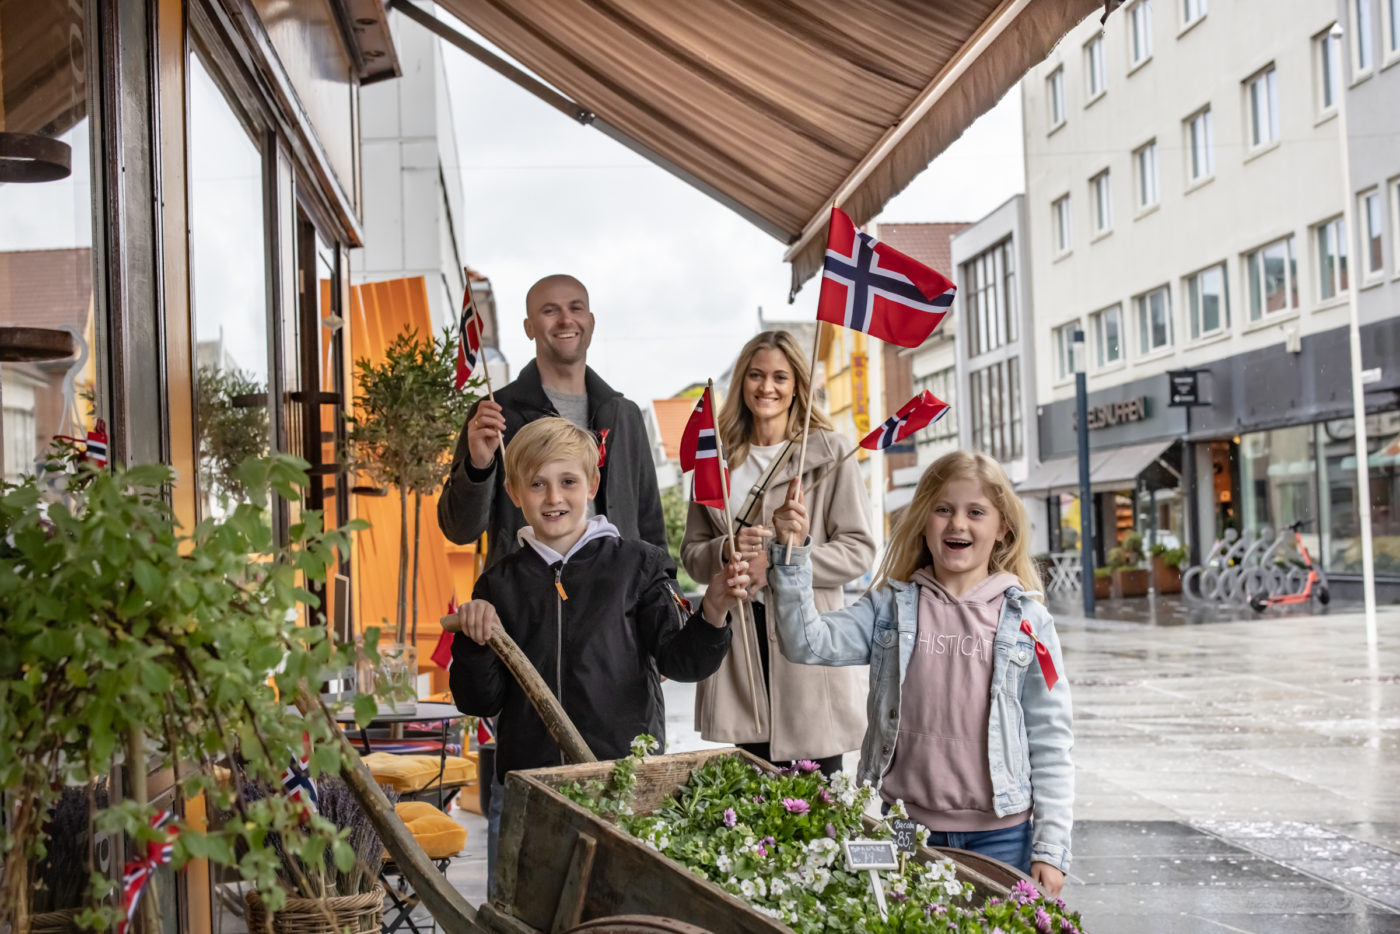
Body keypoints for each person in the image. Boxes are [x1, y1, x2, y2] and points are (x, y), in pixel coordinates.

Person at [447, 418, 751, 890]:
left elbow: (680, 662)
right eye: (537, 484)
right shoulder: (498, 583)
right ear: (513, 493)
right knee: (529, 907)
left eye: (568, 482)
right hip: (531, 786)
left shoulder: (639, 564)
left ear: (592, 484)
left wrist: (712, 612)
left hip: (623, 783)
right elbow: (478, 699)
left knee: (618, 905)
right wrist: (473, 638)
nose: (553, 497)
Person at [768, 450, 1074, 895]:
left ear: (1002, 527)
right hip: (905, 827)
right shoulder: (889, 608)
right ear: (923, 521)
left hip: (1002, 836)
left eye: (976, 512)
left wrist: (1050, 847)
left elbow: (1051, 738)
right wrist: (792, 555)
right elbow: (805, 641)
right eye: (943, 509)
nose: (957, 524)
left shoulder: (1029, 622)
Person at [681, 330, 875, 777]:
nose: (766, 387)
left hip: (806, 644)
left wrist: (780, 563)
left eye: (780, 377)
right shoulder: (716, 457)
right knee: (750, 797)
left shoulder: (829, 453)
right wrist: (725, 550)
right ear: (742, 382)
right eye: (756, 375)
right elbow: (691, 554)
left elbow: (858, 550)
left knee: (817, 799)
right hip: (740, 649)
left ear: (797, 386)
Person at [438, 274, 667, 571]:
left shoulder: (625, 414)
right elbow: (459, 530)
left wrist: (663, 586)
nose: (565, 320)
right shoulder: (495, 415)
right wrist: (478, 467)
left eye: (576, 308)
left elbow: (650, 526)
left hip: (620, 593)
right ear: (529, 327)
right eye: (550, 310)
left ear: (591, 322)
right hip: (525, 593)